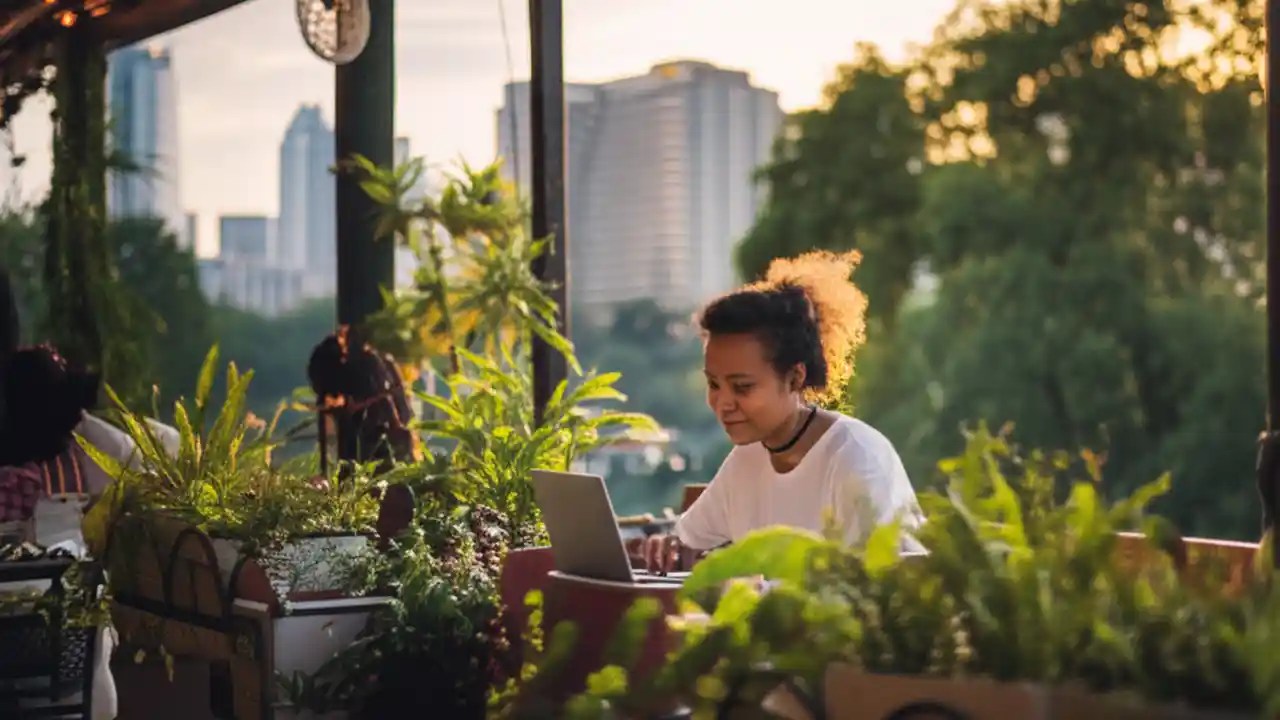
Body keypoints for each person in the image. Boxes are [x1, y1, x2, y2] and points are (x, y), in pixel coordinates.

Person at [636, 251, 924, 572]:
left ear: (795, 377)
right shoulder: (748, 459)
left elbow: (886, 588)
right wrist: (671, 544)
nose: (723, 403)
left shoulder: (857, 458)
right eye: (714, 384)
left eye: (742, 387)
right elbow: (688, 537)